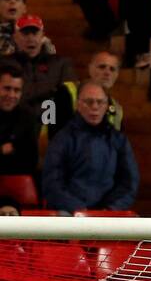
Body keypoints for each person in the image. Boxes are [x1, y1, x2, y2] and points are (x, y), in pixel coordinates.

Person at [41, 83, 139, 214]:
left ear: (107, 106)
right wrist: (78, 209)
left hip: (109, 214)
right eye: (89, 102)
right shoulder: (61, 139)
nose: (95, 107)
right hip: (70, 213)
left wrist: (110, 209)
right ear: (78, 105)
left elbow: (129, 183)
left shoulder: (119, 140)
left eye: (100, 102)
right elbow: (52, 183)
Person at [52, 52, 124, 139]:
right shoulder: (67, 91)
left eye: (112, 69)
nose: (107, 73)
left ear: (117, 75)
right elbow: (56, 135)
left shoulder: (117, 109)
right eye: (102, 67)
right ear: (90, 69)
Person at [12, 16, 75, 110]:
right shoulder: (5, 64)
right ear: (15, 37)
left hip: (52, 120)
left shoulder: (61, 64)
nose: (30, 38)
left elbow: (69, 98)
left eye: (35, 33)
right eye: (25, 34)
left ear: (42, 36)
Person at [0, 63, 38, 177]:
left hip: (16, 182)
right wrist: (2, 150)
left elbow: (30, 162)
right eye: (7, 88)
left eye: (17, 90)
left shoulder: (27, 118)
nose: (11, 95)